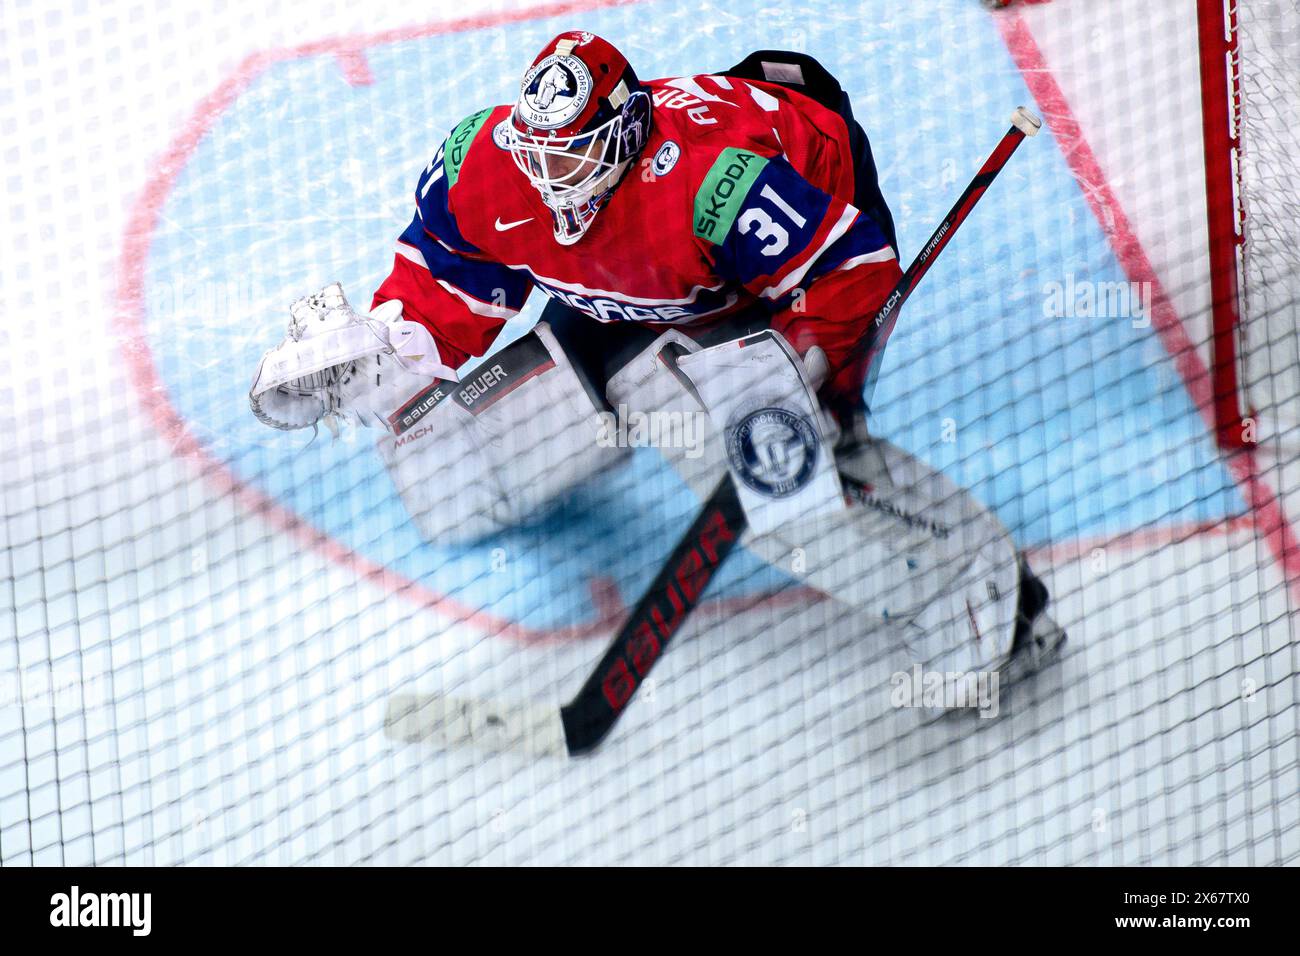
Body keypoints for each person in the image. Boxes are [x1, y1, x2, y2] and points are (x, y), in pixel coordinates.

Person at [249, 31, 1064, 689]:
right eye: (538, 160)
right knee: (453, 488)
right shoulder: (491, 161)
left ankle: (990, 599)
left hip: (765, 284)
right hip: (636, 283)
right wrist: (392, 342)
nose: (549, 183)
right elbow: (451, 271)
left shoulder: (717, 183)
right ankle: (624, 391)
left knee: (770, 474)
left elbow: (852, 271)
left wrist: (807, 365)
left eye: (569, 162)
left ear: (625, 139)